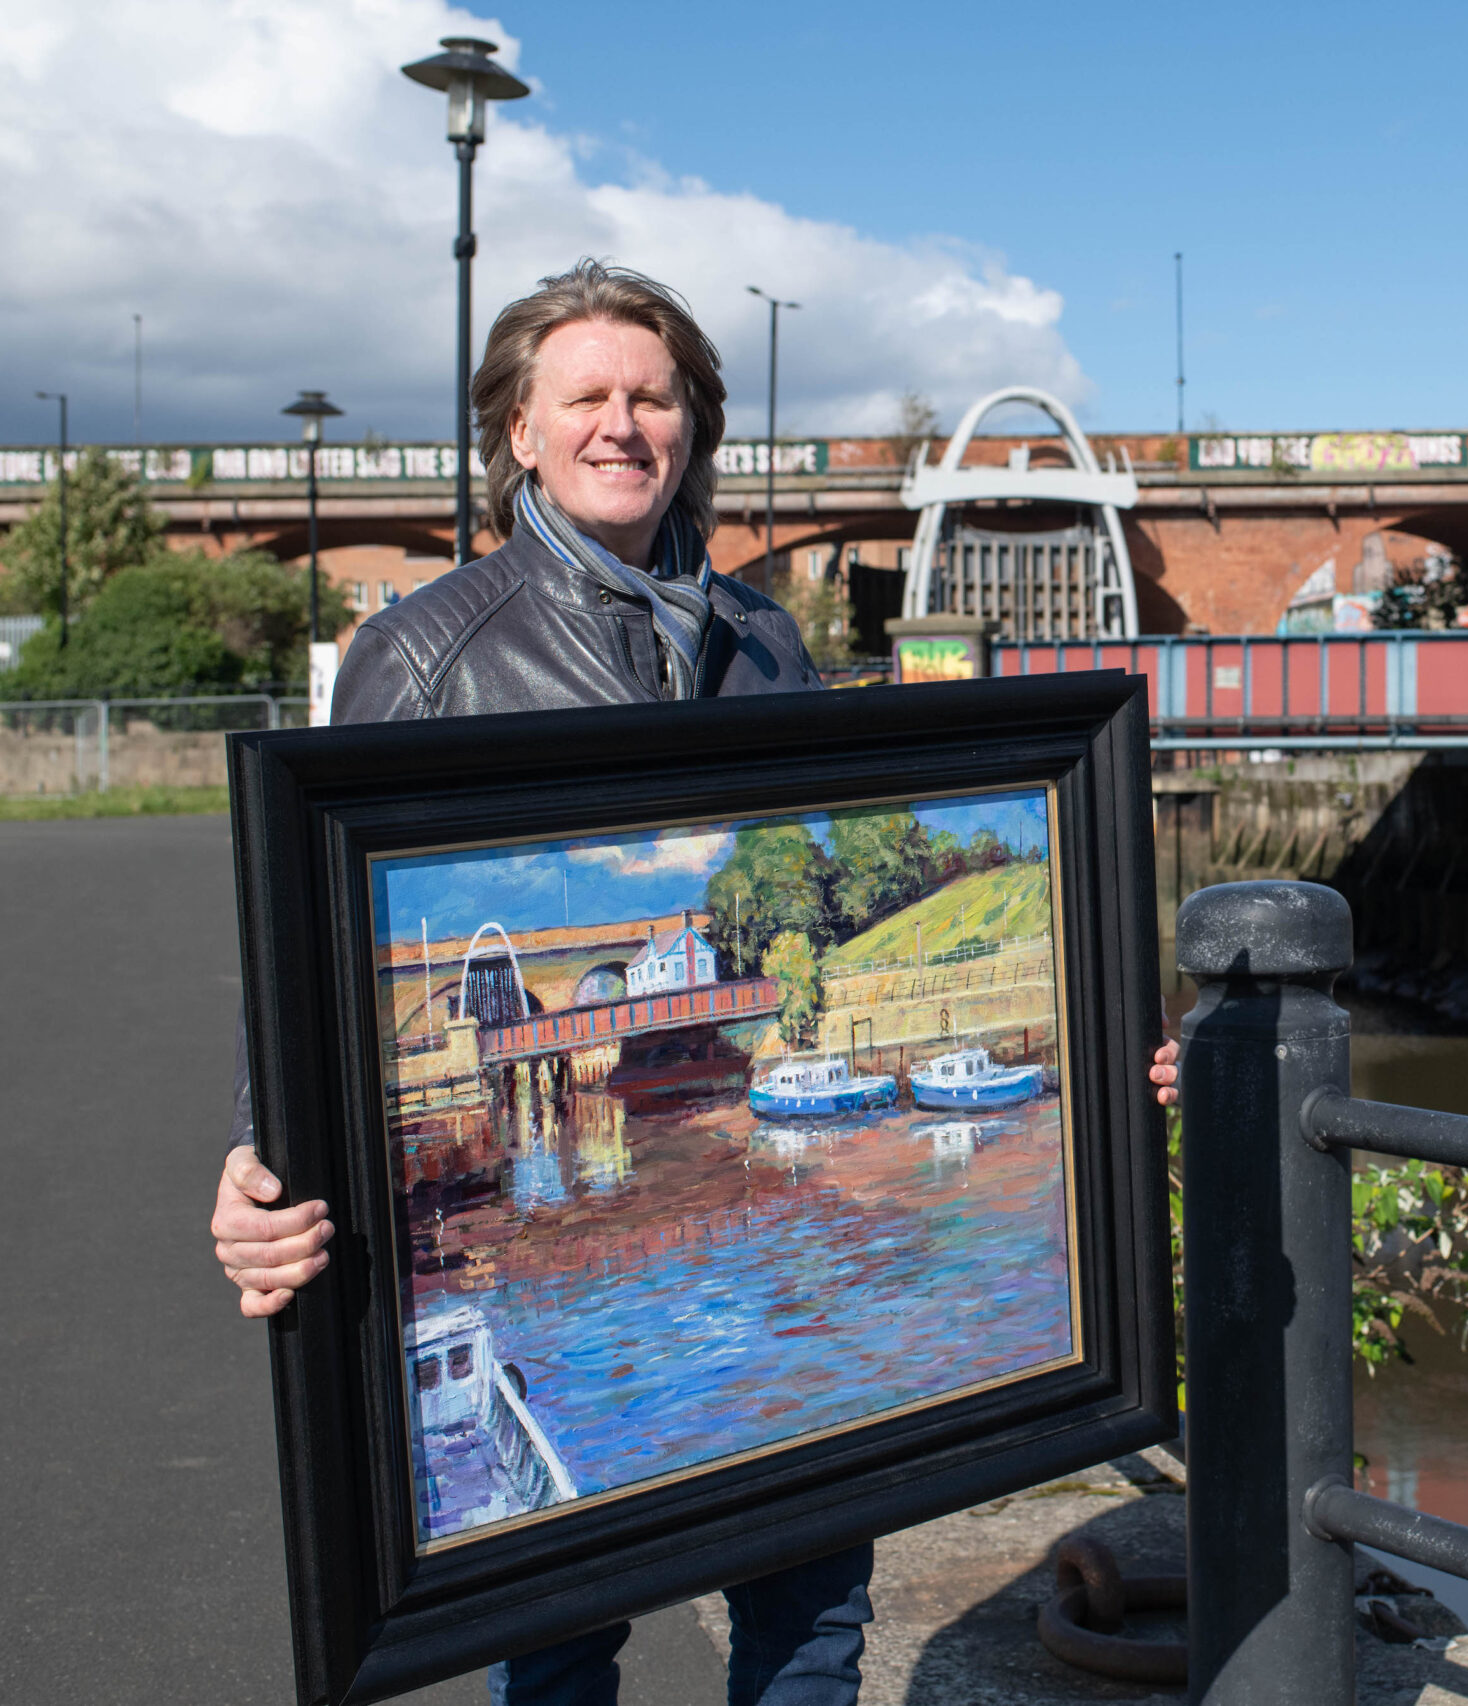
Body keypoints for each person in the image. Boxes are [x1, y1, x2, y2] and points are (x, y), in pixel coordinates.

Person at [210, 257, 1188, 1704]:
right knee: (553, 1635)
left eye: (653, 396)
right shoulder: (422, 657)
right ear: (521, 434)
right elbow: (324, 937)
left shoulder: (766, 641)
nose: (625, 423)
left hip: (796, 1347)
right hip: (564, 1338)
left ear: (693, 426)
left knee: (814, 1618)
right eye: (588, 395)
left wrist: (1105, 1036)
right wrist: (259, 1149)